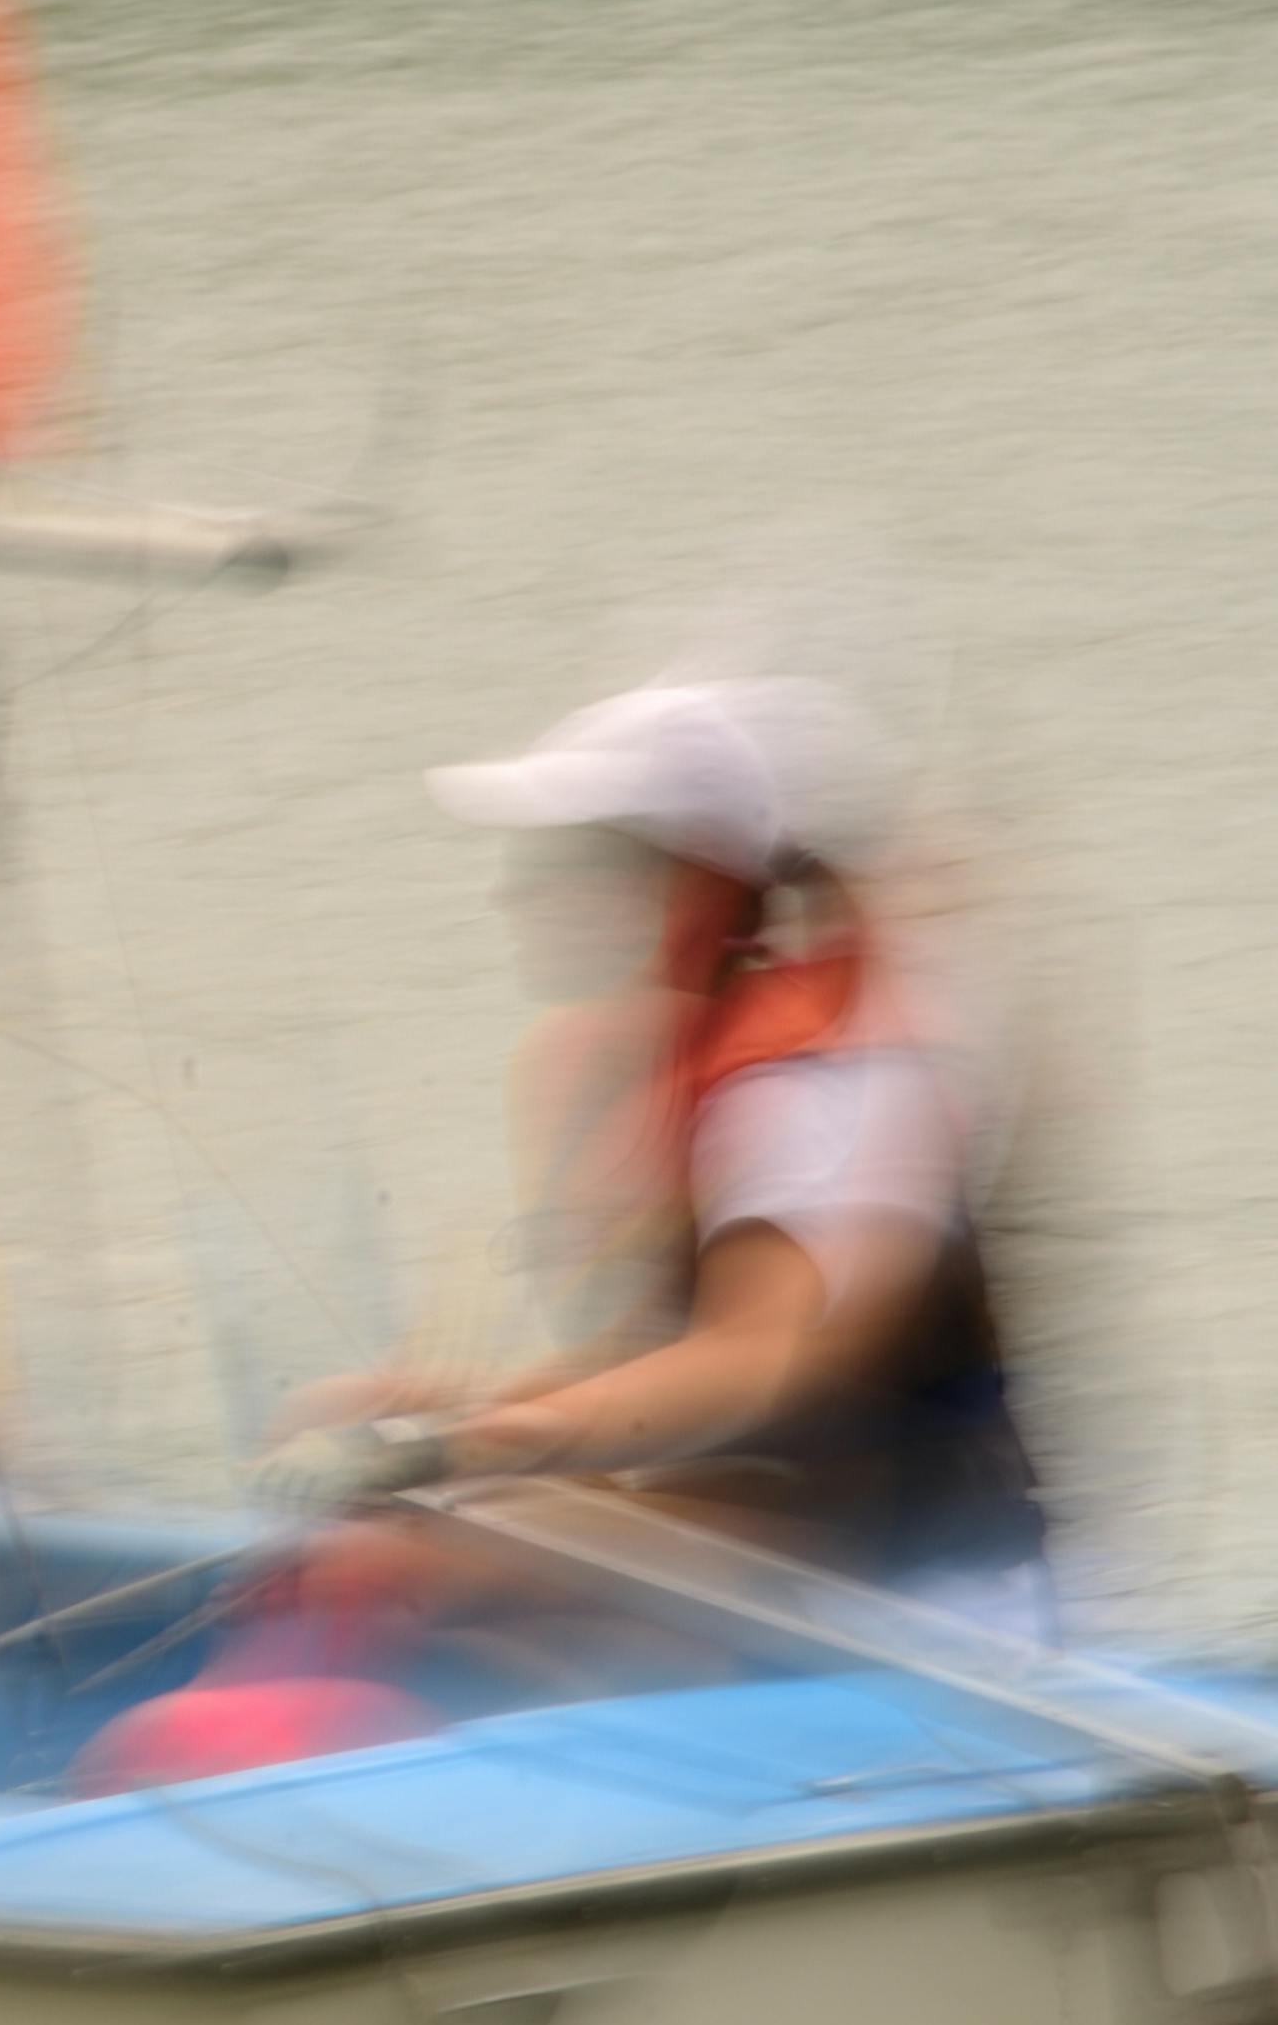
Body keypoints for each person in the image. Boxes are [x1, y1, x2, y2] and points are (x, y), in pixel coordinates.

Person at [385, 672, 1048, 1590]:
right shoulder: (660, 1060)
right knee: (351, 1454)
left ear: (696, 887)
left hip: (917, 1597)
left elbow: (762, 1361)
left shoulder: (816, 1077)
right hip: (777, 1538)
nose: (520, 899)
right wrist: (434, 1427)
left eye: (574, 869)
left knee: (401, 1565)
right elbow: (650, 1355)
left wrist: (478, 1443)